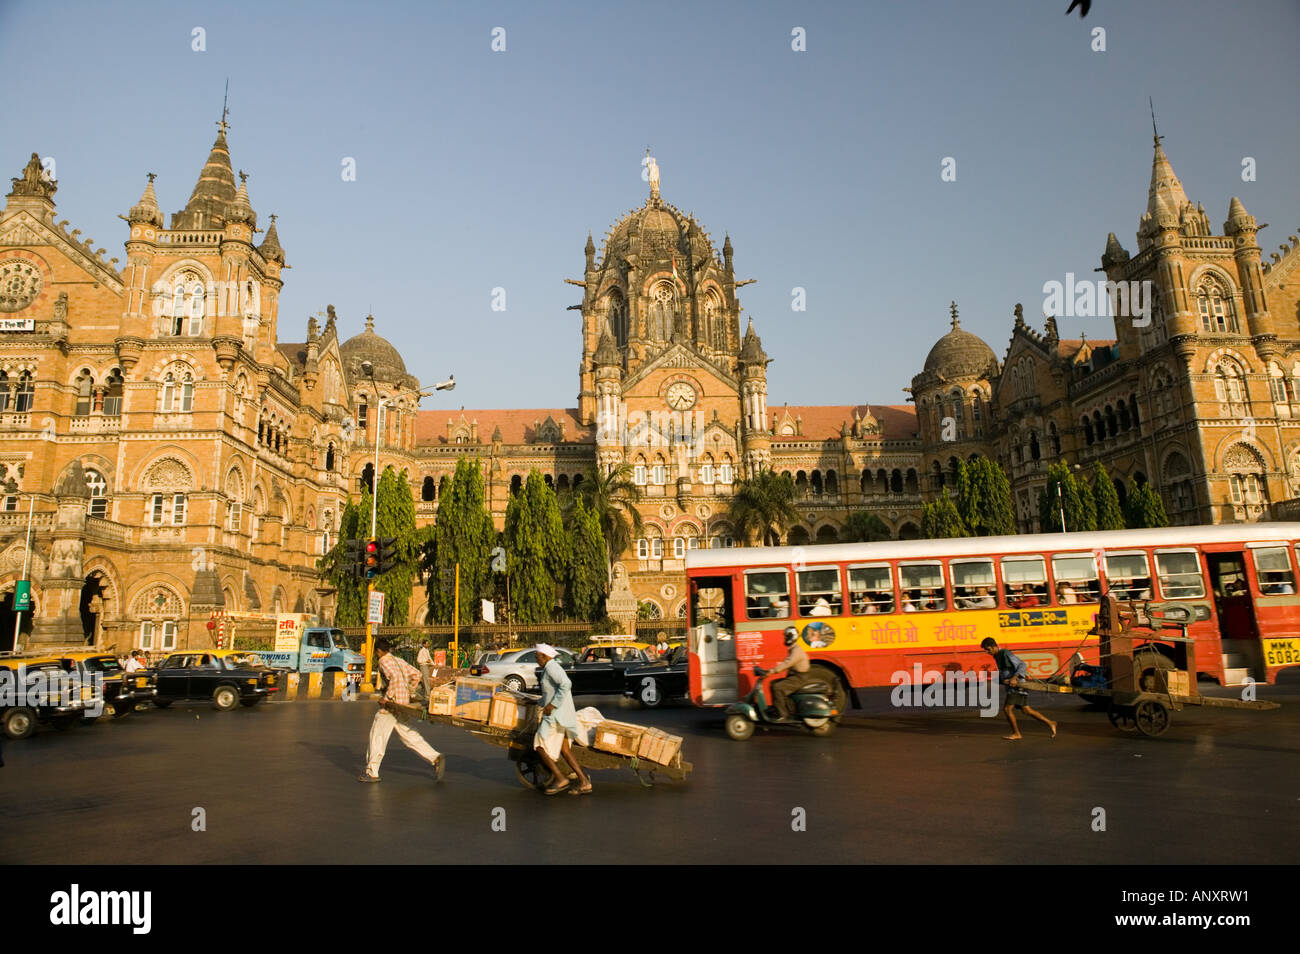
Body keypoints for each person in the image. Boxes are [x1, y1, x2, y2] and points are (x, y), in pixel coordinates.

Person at [359, 638, 445, 783]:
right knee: (408, 733)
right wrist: (408, 692)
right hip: (403, 702)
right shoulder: (398, 660)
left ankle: (372, 772)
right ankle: (434, 757)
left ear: (378, 651)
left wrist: (387, 698)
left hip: (392, 705)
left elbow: (395, 679)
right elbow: (416, 674)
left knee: (377, 735)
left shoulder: (383, 662)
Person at [534, 643, 592, 795]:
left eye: (537, 656)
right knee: (565, 750)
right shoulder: (550, 667)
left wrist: (552, 705)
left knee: (539, 745)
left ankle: (560, 778)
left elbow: (566, 684)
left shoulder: (551, 668)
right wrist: (540, 702)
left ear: (545, 656)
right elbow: (550, 692)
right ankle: (584, 782)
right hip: (563, 715)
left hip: (555, 717)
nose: (536, 659)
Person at [981, 637, 1056, 741]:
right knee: (1027, 710)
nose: (987, 652)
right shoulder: (997, 656)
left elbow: (1022, 664)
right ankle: (1051, 723)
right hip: (1013, 687)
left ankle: (1017, 733)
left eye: (988, 649)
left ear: (994, 646)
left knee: (1007, 709)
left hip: (1018, 686)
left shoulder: (1005, 653)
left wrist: (1014, 678)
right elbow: (1006, 672)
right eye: (986, 650)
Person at [768, 626, 814, 719]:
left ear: (791, 637)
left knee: (777, 687)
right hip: (796, 677)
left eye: (786, 636)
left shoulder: (796, 651)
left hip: (799, 678)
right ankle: (778, 708)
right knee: (773, 683)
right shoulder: (794, 649)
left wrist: (772, 671)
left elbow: (787, 663)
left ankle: (783, 714)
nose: (785, 638)